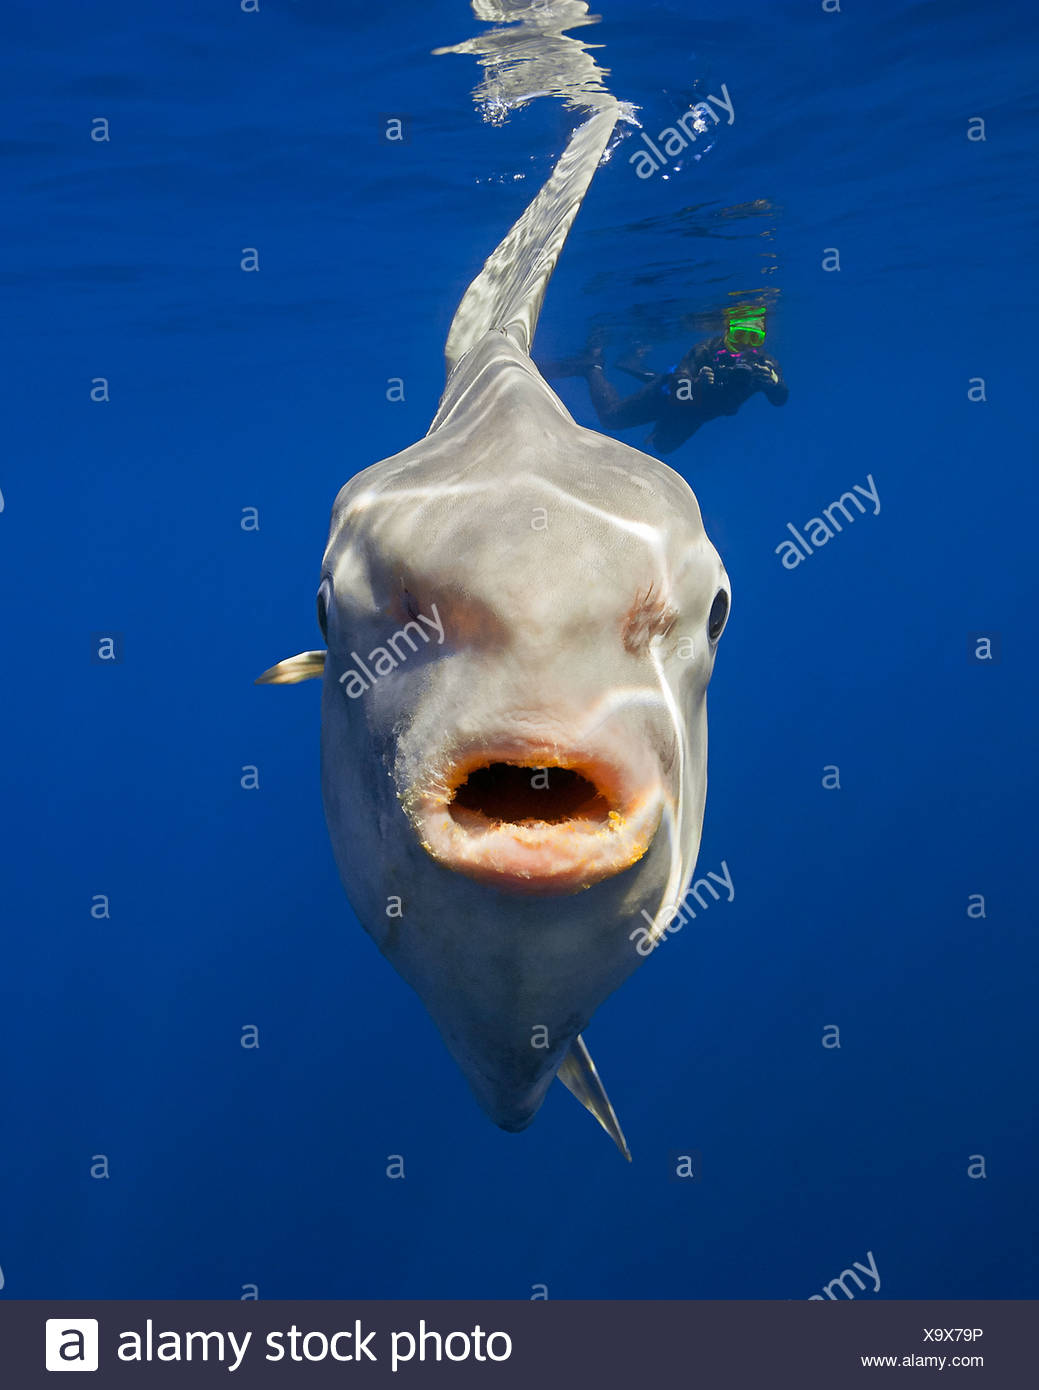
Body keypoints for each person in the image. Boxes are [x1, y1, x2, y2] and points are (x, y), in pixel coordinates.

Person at [542, 309, 789, 454]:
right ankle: (591, 366)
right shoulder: (704, 351)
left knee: (663, 447)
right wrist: (696, 385)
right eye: (739, 336)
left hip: (697, 414)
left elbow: (780, 399)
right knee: (611, 418)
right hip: (666, 397)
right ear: (727, 333)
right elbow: (678, 391)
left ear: (763, 340)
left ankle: (632, 365)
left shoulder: (764, 365)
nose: (745, 346)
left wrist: (775, 385)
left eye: (754, 338)